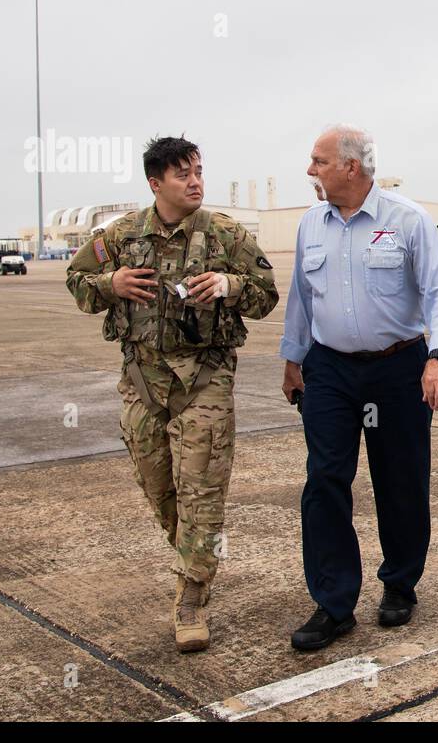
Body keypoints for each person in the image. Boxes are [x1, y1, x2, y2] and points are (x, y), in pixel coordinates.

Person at [66, 136, 279, 653]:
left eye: (199, 171)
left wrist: (229, 287)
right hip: (142, 383)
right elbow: (77, 281)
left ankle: (191, 599)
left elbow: (266, 296)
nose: (195, 182)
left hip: (204, 380)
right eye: (183, 174)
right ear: (155, 182)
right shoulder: (118, 235)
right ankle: (192, 556)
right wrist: (110, 284)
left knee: (201, 494)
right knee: (161, 489)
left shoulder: (227, 235)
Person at [281, 123, 438, 651]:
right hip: (330, 370)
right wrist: (293, 360)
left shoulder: (408, 220)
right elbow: (301, 297)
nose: (310, 170)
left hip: (398, 367)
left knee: (400, 479)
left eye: (318, 161)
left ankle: (400, 584)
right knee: (324, 480)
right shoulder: (311, 225)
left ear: (351, 168)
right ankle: (334, 604)